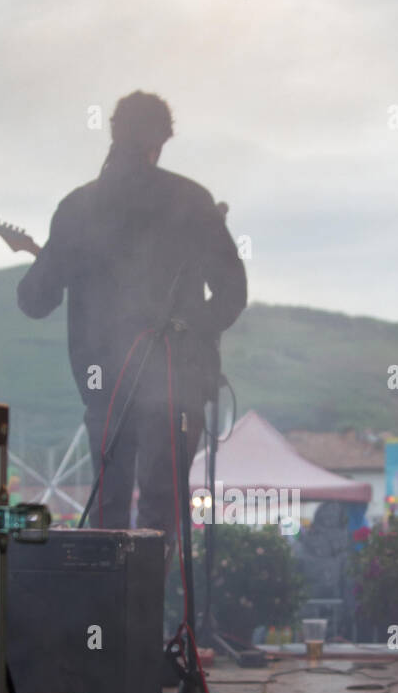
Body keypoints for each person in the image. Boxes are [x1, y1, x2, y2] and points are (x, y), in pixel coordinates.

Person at [17, 91, 247, 560]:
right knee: (161, 515)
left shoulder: (78, 207)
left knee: (107, 511)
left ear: (114, 133)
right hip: (176, 384)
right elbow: (232, 292)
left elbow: (35, 300)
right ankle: (148, 625)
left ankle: (104, 623)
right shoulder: (191, 199)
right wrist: (187, 330)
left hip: (105, 386)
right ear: (161, 140)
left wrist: (54, 260)